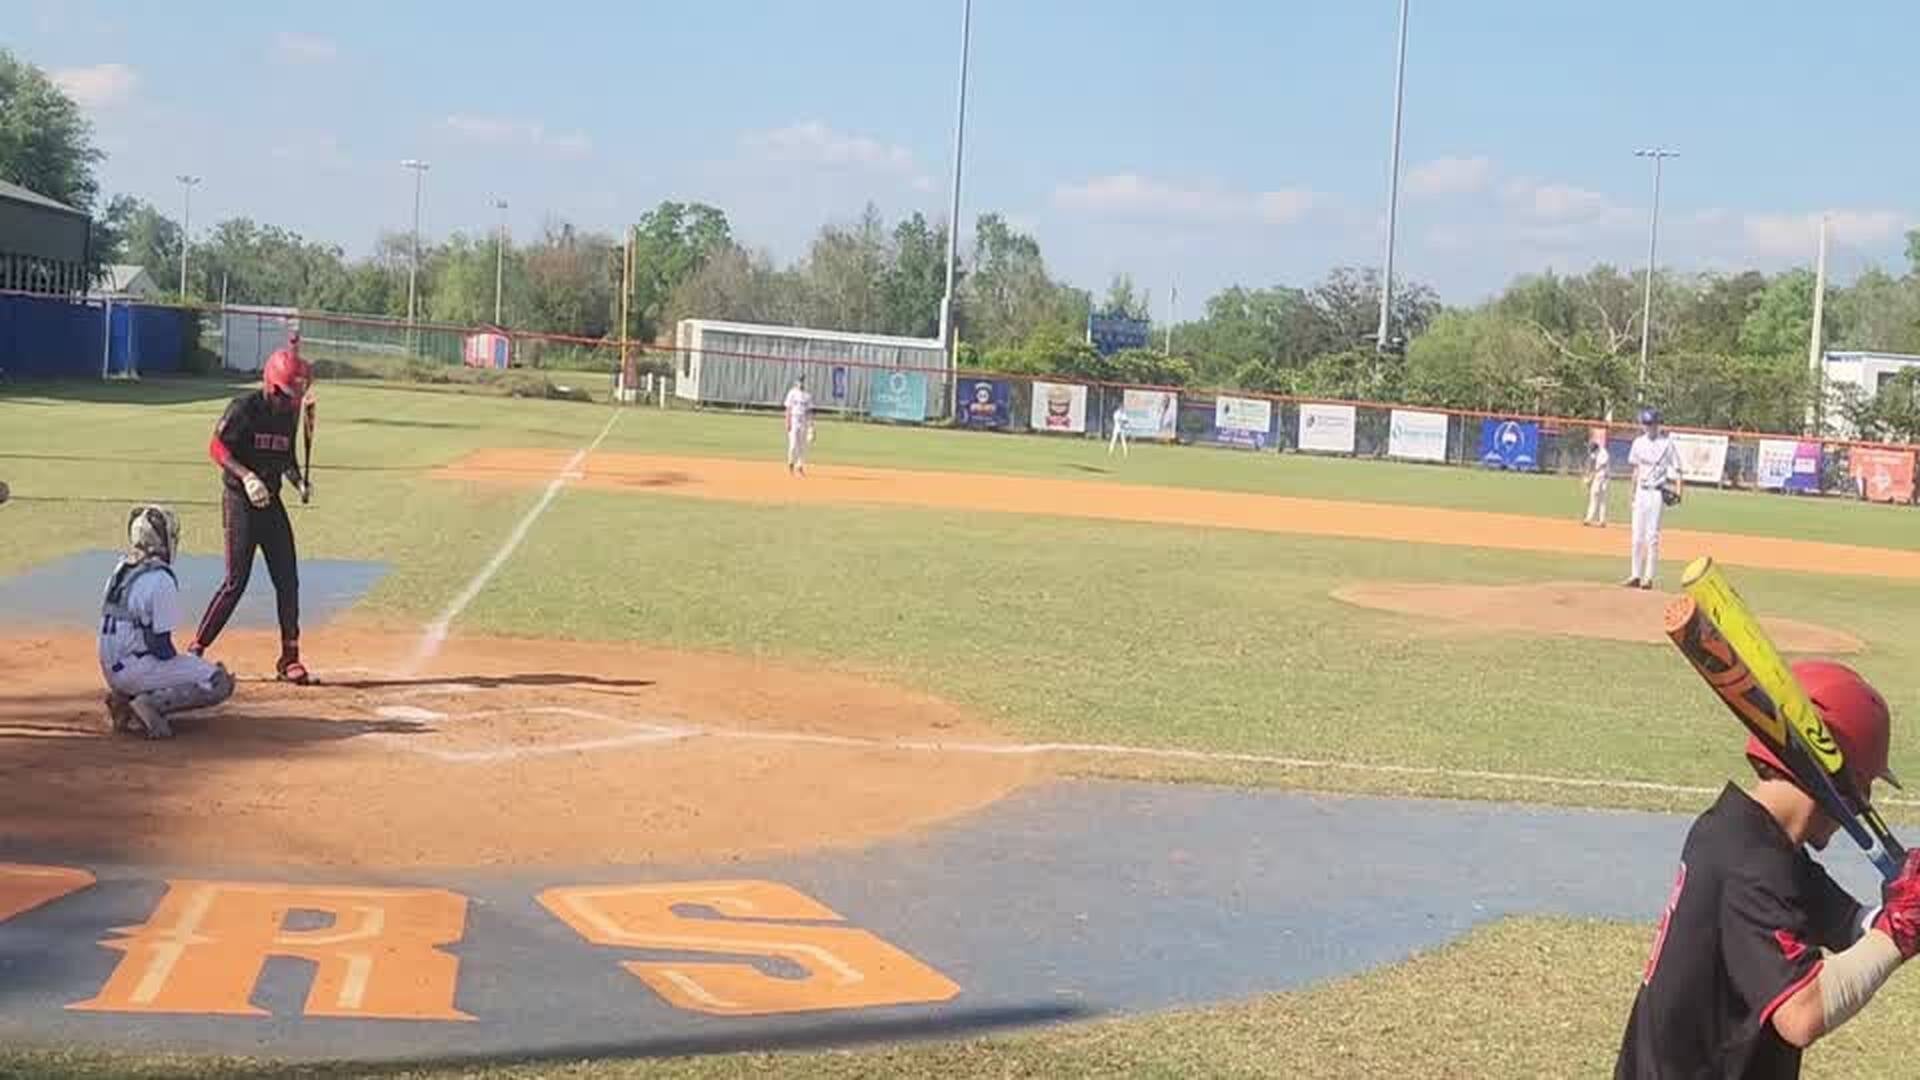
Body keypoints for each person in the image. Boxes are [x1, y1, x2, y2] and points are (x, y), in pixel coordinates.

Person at [1615, 660, 1920, 1079]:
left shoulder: (1752, 837)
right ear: (1839, 777)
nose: (1862, 801)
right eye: (1863, 785)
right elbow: (1801, 1014)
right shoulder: (1750, 861)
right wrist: (1899, 930)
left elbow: (1858, 927)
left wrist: (1902, 914)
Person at [191, 337, 314, 683]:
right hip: (240, 502)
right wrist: (246, 477)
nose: (289, 402)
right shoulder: (243, 409)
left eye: (294, 396)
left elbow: (286, 458)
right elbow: (216, 448)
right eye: (285, 395)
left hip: (271, 503)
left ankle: (289, 657)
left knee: (288, 579)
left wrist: (298, 481)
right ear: (270, 386)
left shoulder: (288, 415)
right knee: (235, 582)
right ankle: (195, 649)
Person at [101, 505, 235, 738]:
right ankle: (149, 705)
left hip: (111, 667)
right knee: (218, 681)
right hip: (134, 669)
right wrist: (187, 665)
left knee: (154, 657)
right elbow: (160, 647)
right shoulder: (160, 579)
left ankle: (123, 700)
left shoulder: (121, 568)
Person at [1624, 407, 1681, 589]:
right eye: (1645, 423)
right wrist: (1632, 494)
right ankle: (1635, 575)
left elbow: (1678, 469)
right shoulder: (1638, 443)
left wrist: (1679, 491)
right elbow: (1635, 470)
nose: (1647, 427)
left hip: (1656, 492)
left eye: (1650, 423)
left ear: (1658, 424)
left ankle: (1648, 578)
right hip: (1641, 491)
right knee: (1636, 537)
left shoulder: (1667, 444)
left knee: (1652, 537)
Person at [784, 374, 814, 476]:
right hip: (794, 419)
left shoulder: (807, 396)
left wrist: (811, 427)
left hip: (803, 420)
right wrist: (787, 422)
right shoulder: (792, 393)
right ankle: (791, 463)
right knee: (793, 445)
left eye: (802, 381)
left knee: (802, 446)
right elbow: (788, 408)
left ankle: (800, 466)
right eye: (799, 381)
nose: (801, 383)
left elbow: (809, 412)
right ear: (796, 382)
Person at [1583, 430, 1612, 527]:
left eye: (1593, 450)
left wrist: (1590, 478)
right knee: (1593, 497)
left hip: (1604, 478)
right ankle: (1588, 519)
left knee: (1602, 499)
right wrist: (1587, 475)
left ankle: (1602, 520)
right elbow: (1590, 462)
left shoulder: (1604, 453)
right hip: (1597, 477)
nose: (1592, 452)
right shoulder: (1594, 451)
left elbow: (1600, 467)